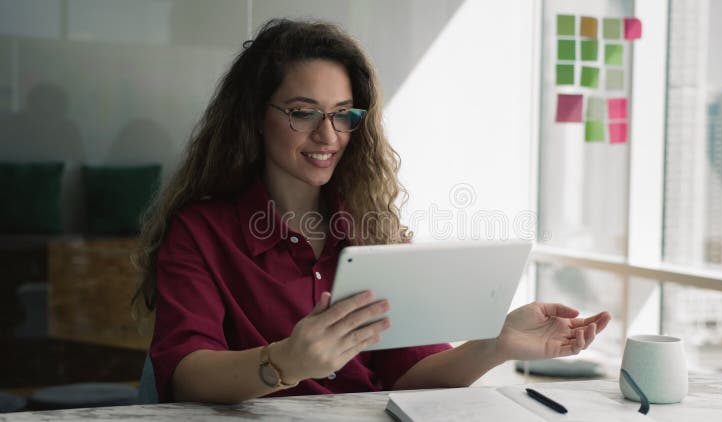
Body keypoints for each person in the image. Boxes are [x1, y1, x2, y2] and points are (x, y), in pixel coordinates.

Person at [131, 18, 611, 404]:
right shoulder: (199, 232)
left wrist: (498, 343)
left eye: (344, 114)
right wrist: (285, 362)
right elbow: (185, 376)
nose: (329, 135)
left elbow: (410, 375)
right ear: (256, 117)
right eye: (303, 112)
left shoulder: (372, 229)